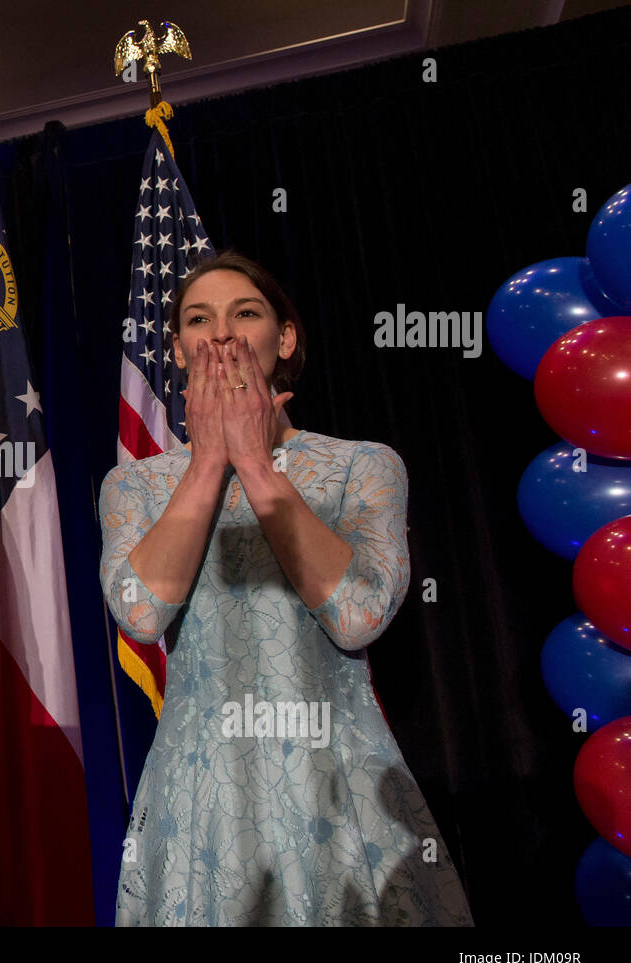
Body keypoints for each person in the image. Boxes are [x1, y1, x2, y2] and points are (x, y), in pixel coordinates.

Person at [99, 250, 473, 926]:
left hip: (338, 787)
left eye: (246, 313)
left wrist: (255, 463)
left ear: (287, 338)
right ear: (179, 351)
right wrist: (210, 462)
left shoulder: (363, 466)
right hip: (200, 796)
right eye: (197, 319)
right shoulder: (136, 485)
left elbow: (357, 617)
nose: (221, 334)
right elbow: (141, 613)